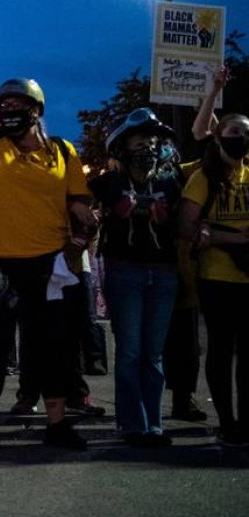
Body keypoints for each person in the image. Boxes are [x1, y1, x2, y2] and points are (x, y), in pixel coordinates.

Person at [0, 26, 96, 450]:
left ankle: (56, 423)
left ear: (36, 109)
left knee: (49, 345)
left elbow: (79, 206)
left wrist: (83, 234)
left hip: (44, 262)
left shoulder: (62, 152)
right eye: (4, 105)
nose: (9, 110)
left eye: (18, 104)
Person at [90, 108, 181, 446]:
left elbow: (168, 217)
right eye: (141, 142)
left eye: (154, 142)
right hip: (124, 270)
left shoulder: (173, 181)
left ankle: (154, 423)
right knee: (129, 350)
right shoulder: (109, 181)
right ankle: (132, 424)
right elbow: (126, 209)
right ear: (124, 147)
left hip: (163, 272)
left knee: (153, 353)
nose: (149, 148)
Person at [179, 112, 249, 446]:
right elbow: (187, 226)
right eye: (235, 131)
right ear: (219, 136)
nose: (242, 137)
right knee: (221, 349)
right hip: (217, 277)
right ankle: (226, 420)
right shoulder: (203, 178)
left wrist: (217, 233)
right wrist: (234, 239)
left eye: (247, 132)